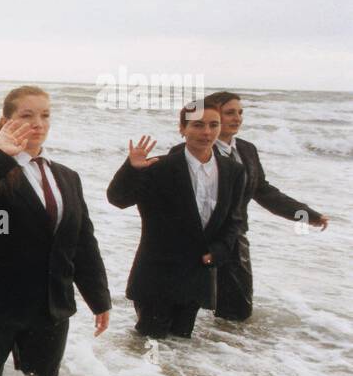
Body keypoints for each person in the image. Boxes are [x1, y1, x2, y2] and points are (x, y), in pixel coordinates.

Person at [0, 85, 110, 376]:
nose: (38, 123)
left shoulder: (67, 177)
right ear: (7, 120)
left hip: (50, 308)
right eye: (27, 115)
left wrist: (98, 297)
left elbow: (82, 241)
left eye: (45, 115)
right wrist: (0, 157)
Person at [107, 98, 246, 339]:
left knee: (180, 347)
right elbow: (118, 199)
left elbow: (234, 219)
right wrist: (132, 168)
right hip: (156, 274)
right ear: (182, 129)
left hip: (198, 275)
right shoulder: (159, 166)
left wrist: (219, 251)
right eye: (198, 125)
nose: (206, 132)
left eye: (213, 125)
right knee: (150, 345)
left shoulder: (233, 171)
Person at [210, 90, 330, 321]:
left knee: (237, 311)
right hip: (201, 238)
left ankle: (230, 351)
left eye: (240, 112)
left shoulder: (246, 150)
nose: (237, 118)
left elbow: (263, 191)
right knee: (187, 307)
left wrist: (307, 215)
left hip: (234, 236)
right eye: (230, 113)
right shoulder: (198, 149)